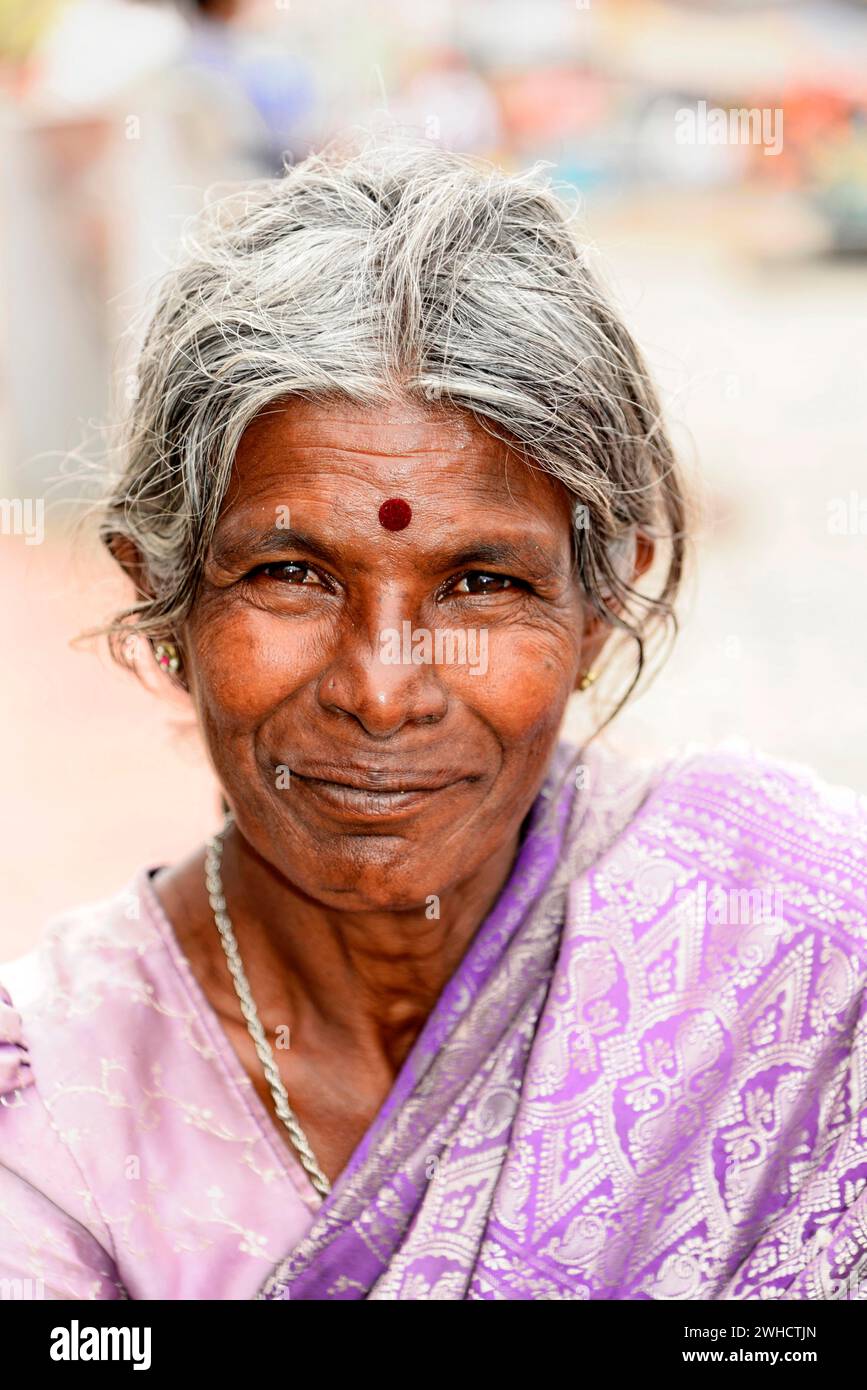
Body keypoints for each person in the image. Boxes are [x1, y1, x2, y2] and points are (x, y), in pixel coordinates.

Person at [1, 141, 865, 1301]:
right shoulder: (54, 1111)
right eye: (293, 573)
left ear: (599, 607)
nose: (383, 688)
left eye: (484, 583)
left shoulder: (801, 950)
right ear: (163, 597)